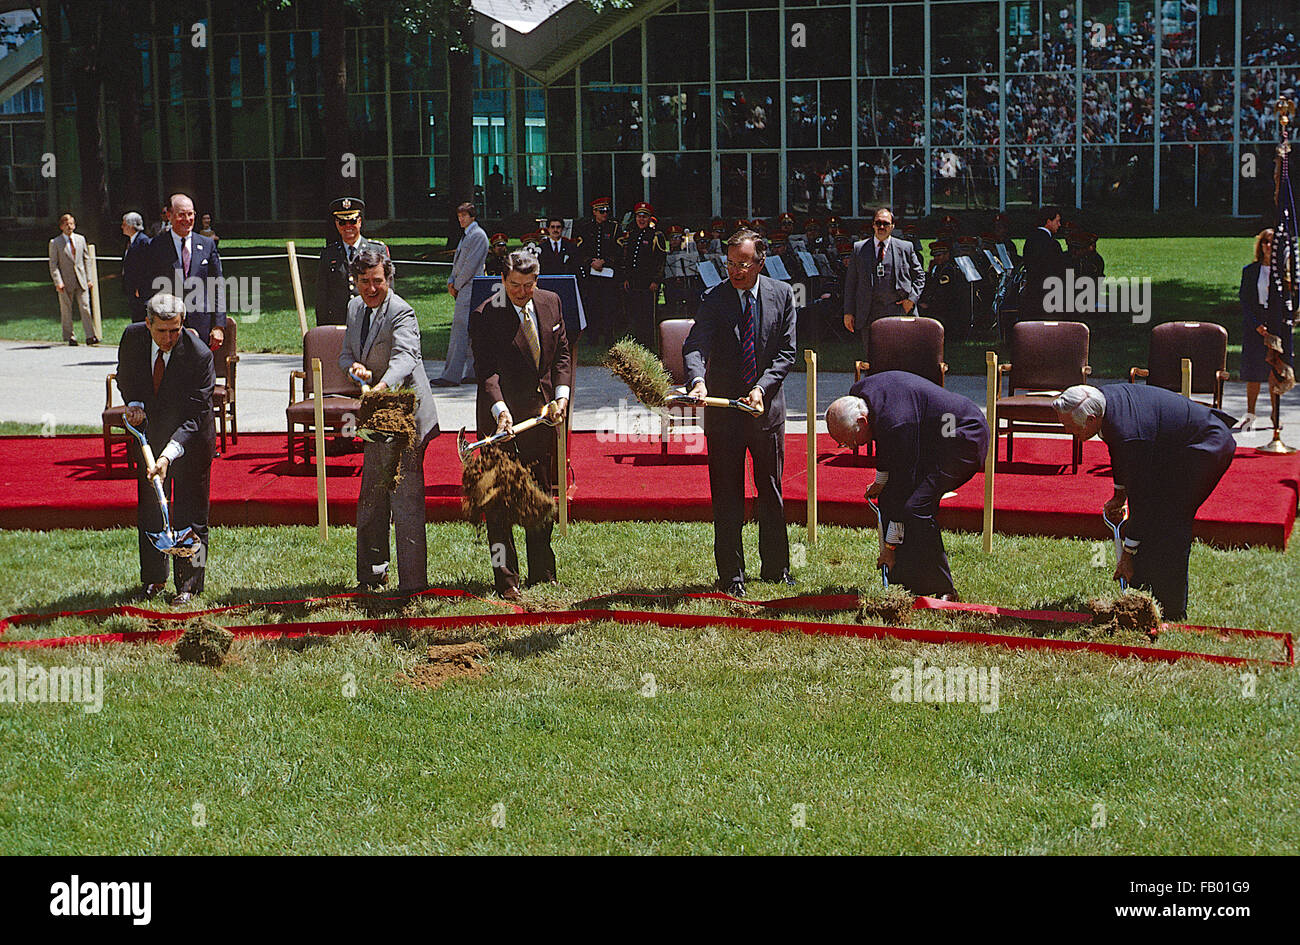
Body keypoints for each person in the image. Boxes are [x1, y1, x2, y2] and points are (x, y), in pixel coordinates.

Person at [1052, 384, 1235, 621]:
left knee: (1170, 520)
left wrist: (1127, 555)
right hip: (1172, 446)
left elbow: (1143, 502)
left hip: (1205, 447)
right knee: (1156, 517)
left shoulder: (1128, 432)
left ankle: (1172, 612)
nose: (1066, 431)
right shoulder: (1103, 404)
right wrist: (1119, 494)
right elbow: (1119, 453)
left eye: (1069, 426)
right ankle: (1143, 592)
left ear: (1090, 419)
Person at [683, 229, 798, 596]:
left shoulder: (782, 295)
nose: (735, 271)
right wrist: (697, 381)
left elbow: (786, 353)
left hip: (766, 413)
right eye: (730, 263)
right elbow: (695, 344)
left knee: (771, 491)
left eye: (742, 264)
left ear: (760, 263)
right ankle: (731, 575)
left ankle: (776, 568)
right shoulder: (714, 299)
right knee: (727, 494)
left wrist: (761, 388)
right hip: (724, 416)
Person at [826, 373, 989, 600]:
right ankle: (906, 580)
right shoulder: (862, 394)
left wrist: (889, 548)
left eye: (849, 441)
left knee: (916, 508)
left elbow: (904, 490)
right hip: (935, 435)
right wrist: (880, 482)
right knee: (890, 498)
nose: (852, 446)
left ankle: (945, 589)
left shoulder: (897, 422)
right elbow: (884, 442)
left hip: (962, 435)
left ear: (862, 422)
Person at [468, 251, 573, 600]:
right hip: (499, 421)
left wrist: (561, 396)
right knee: (498, 508)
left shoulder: (551, 302)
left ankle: (543, 572)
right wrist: (500, 410)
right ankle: (506, 580)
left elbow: (561, 355)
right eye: (515, 285)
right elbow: (487, 371)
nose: (522, 291)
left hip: (540, 418)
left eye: (529, 285)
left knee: (539, 497)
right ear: (502, 280)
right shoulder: (485, 315)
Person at [339, 249, 440, 594]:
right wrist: (356, 369)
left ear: (389, 278)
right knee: (371, 495)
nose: (371, 288)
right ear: (355, 281)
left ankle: (413, 584)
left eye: (377, 281)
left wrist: (382, 384)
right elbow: (345, 354)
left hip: (407, 416)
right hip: (377, 417)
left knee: (405, 498)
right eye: (364, 281)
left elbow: (406, 357)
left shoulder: (402, 312)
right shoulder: (354, 308)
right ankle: (371, 573)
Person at [116, 293, 214, 604]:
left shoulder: (199, 355)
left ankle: (188, 586)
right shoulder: (133, 338)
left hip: (190, 442)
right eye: (162, 331)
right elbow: (126, 377)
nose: (170, 338)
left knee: (190, 515)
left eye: (176, 330)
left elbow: (195, 414)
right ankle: (154, 580)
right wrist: (134, 404)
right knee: (150, 510)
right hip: (150, 436)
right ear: (148, 324)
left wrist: (168, 455)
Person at [144, 192, 225, 349]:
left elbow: (217, 286)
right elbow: (148, 288)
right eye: (181, 215)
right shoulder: (155, 246)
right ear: (169, 215)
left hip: (203, 326)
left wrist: (219, 326)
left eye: (190, 214)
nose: (187, 220)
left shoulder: (207, 245)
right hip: (168, 327)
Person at [842, 207, 925, 359]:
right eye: (878, 223)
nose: (881, 227)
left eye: (885, 224)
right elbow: (851, 283)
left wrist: (911, 300)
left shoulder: (905, 248)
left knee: (900, 357)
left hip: (898, 309)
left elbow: (920, 276)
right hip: (869, 312)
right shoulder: (859, 249)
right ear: (873, 225)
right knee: (873, 359)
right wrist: (848, 312)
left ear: (892, 226)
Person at [1238, 228, 1296, 429]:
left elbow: (1292, 300)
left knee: (1276, 371)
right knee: (1254, 373)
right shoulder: (1251, 271)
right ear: (1260, 245)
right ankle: (1250, 415)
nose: (1268, 246)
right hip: (1257, 325)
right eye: (1265, 242)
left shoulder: (1284, 274)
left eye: (1272, 243)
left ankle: (1275, 414)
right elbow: (1244, 301)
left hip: (1277, 324)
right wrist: (1256, 325)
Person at [316, 196, 389, 327]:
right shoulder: (328, 254)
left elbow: (388, 291)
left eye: (352, 221)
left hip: (371, 322)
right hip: (339, 323)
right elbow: (322, 297)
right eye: (342, 223)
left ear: (360, 221)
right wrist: (323, 329)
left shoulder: (377, 251)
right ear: (337, 224)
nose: (348, 227)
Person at [436, 201, 487, 387]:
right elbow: (458, 264)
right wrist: (451, 281)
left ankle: (451, 375)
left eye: (464, 216)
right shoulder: (467, 235)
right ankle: (473, 372)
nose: (461, 219)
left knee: (460, 331)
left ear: (472, 216)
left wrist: (455, 285)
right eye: (459, 216)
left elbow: (470, 266)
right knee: (470, 331)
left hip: (470, 288)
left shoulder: (478, 236)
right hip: (462, 287)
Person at [572, 197, 621, 346]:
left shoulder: (614, 228)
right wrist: (591, 262)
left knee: (608, 306)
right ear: (594, 212)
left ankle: (608, 337)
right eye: (601, 211)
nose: (604, 214)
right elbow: (580, 250)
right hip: (591, 275)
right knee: (592, 306)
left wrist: (604, 261)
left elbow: (618, 249)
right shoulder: (586, 228)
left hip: (608, 274)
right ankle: (592, 336)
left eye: (606, 211)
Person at [620, 202, 666, 348]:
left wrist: (656, 281)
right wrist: (626, 278)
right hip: (634, 282)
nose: (641, 220)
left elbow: (660, 261)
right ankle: (637, 343)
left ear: (649, 218)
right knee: (635, 314)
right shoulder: (633, 235)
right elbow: (628, 259)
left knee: (649, 316)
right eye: (639, 216)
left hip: (648, 283)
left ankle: (650, 344)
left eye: (644, 217)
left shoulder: (656, 236)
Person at [48, 213, 97, 346]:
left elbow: (86, 260)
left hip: (81, 280)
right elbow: (53, 264)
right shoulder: (55, 243)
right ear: (61, 226)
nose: (69, 226)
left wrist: (89, 278)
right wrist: (58, 282)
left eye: (71, 223)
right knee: (66, 310)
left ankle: (90, 335)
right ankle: (70, 336)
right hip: (65, 281)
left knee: (85, 307)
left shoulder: (81, 239)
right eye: (66, 224)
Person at [1020, 205, 1066, 321]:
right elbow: (1059, 269)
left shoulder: (1030, 240)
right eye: (1057, 221)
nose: (1059, 225)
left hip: (1033, 290)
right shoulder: (1052, 244)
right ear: (1048, 221)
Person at [121, 211, 151, 323]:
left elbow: (145, 267)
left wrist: (139, 287)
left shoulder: (143, 242)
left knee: (140, 316)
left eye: (124, 224)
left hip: (140, 289)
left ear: (131, 226)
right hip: (132, 288)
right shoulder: (131, 241)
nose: (122, 227)